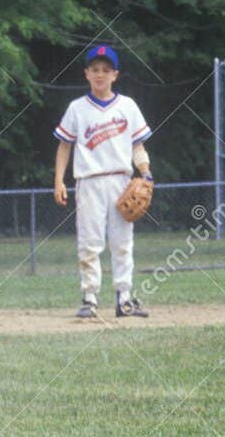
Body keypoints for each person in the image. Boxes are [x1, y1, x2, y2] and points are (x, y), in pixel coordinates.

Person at [53, 44, 153, 318]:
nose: (100, 74)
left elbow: (138, 147)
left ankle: (124, 299)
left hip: (121, 180)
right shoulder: (77, 108)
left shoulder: (127, 107)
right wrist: (59, 181)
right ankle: (90, 299)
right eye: (95, 69)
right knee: (89, 241)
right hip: (89, 182)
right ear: (86, 74)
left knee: (122, 241)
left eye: (106, 70)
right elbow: (64, 146)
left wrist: (145, 172)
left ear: (115, 75)